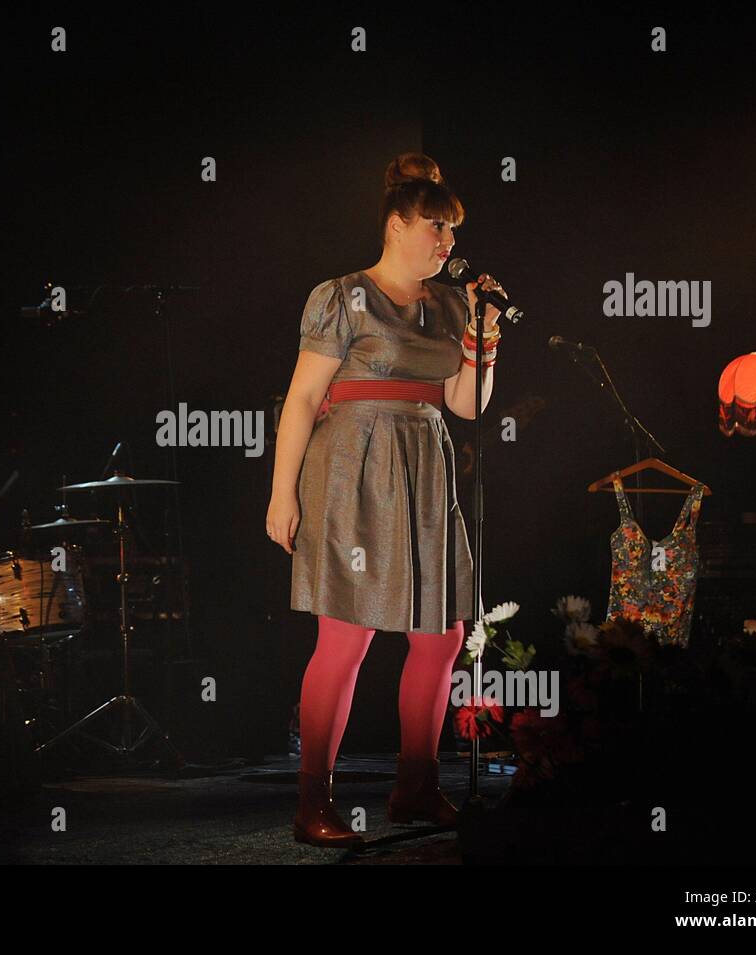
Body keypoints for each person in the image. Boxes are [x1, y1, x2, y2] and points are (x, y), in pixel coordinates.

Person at [266, 153, 508, 848]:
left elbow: (466, 404)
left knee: (442, 634)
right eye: (435, 227)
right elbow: (303, 397)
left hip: (426, 466)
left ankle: (416, 785)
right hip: (352, 466)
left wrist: (484, 342)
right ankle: (315, 799)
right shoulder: (343, 296)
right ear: (396, 224)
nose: (447, 243)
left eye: (453, 232)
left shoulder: (454, 304)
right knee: (347, 635)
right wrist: (281, 493)